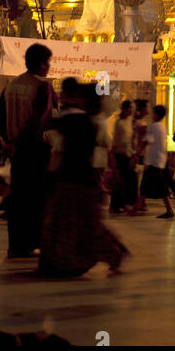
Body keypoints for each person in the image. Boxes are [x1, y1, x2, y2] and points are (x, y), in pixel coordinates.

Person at [39, 81, 127, 276]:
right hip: (80, 179)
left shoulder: (78, 121)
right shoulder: (84, 121)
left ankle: (109, 254)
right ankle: (109, 253)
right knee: (83, 223)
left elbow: (47, 126)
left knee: (82, 224)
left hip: (75, 180)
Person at [0, 41, 55, 258]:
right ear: (40, 64)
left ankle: (15, 245)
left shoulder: (11, 86)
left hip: (15, 151)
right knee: (36, 199)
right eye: (47, 62)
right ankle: (31, 243)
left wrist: (8, 144)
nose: (48, 66)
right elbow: (39, 121)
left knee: (18, 199)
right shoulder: (43, 87)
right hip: (34, 150)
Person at [140, 104, 174, 218]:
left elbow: (147, 141)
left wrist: (137, 153)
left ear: (156, 114)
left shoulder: (153, 126)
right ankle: (138, 206)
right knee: (146, 185)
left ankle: (169, 210)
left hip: (153, 160)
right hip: (159, 159)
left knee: (158, 187)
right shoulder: (162, 126)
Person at [110, 100, 138, 214]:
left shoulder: (130, 122)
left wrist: (134, 154)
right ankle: (117, 205)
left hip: (129, 154)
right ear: (124, 109)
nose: (131, 110)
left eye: (132, 108)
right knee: (121, 180)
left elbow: (132, 140)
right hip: (120, 155)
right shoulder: (119, 122)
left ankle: (127, 203)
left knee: (130, 180)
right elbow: (116, 140)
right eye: (129, 108)